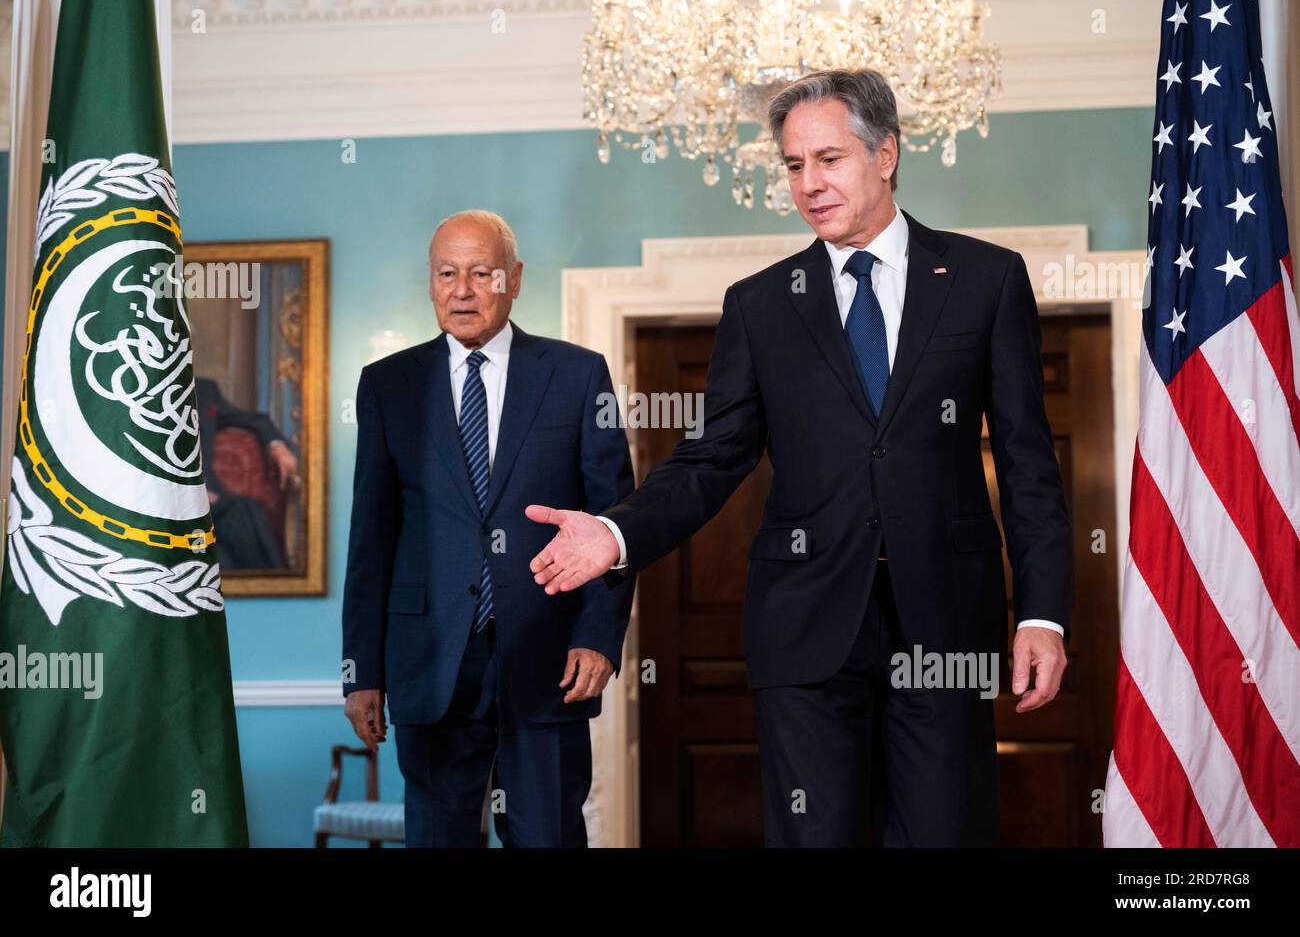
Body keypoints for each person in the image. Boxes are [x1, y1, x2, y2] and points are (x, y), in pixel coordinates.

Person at [526, 70, 1073, 846]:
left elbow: (1027, 463)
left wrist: (1044, 615)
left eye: (828, 159)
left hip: (947, 623)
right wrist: (614, 535)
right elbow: (712, 457)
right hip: (807, 629)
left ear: (886, 154)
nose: (808, 184)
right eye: (792, 166)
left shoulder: (986, 279)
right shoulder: (760, 304)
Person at [341, 210, 635, 847]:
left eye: (481, 272)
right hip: (430, 661)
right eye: (446, 273)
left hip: (549, 655)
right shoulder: (388, 384)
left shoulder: (579, 375)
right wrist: (361, 669)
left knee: (549, 837)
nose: (462, 289)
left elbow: (613, 525)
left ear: (515, 278)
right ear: (430, 283)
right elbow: (371, 536)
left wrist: (599, 637)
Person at [196, 376, 296, 570]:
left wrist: (277, 448)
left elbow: (255, 420)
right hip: (165, 504)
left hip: (214, 502)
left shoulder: (204, 390)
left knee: (246, 511)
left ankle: (278, 588)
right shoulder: (133, 394)